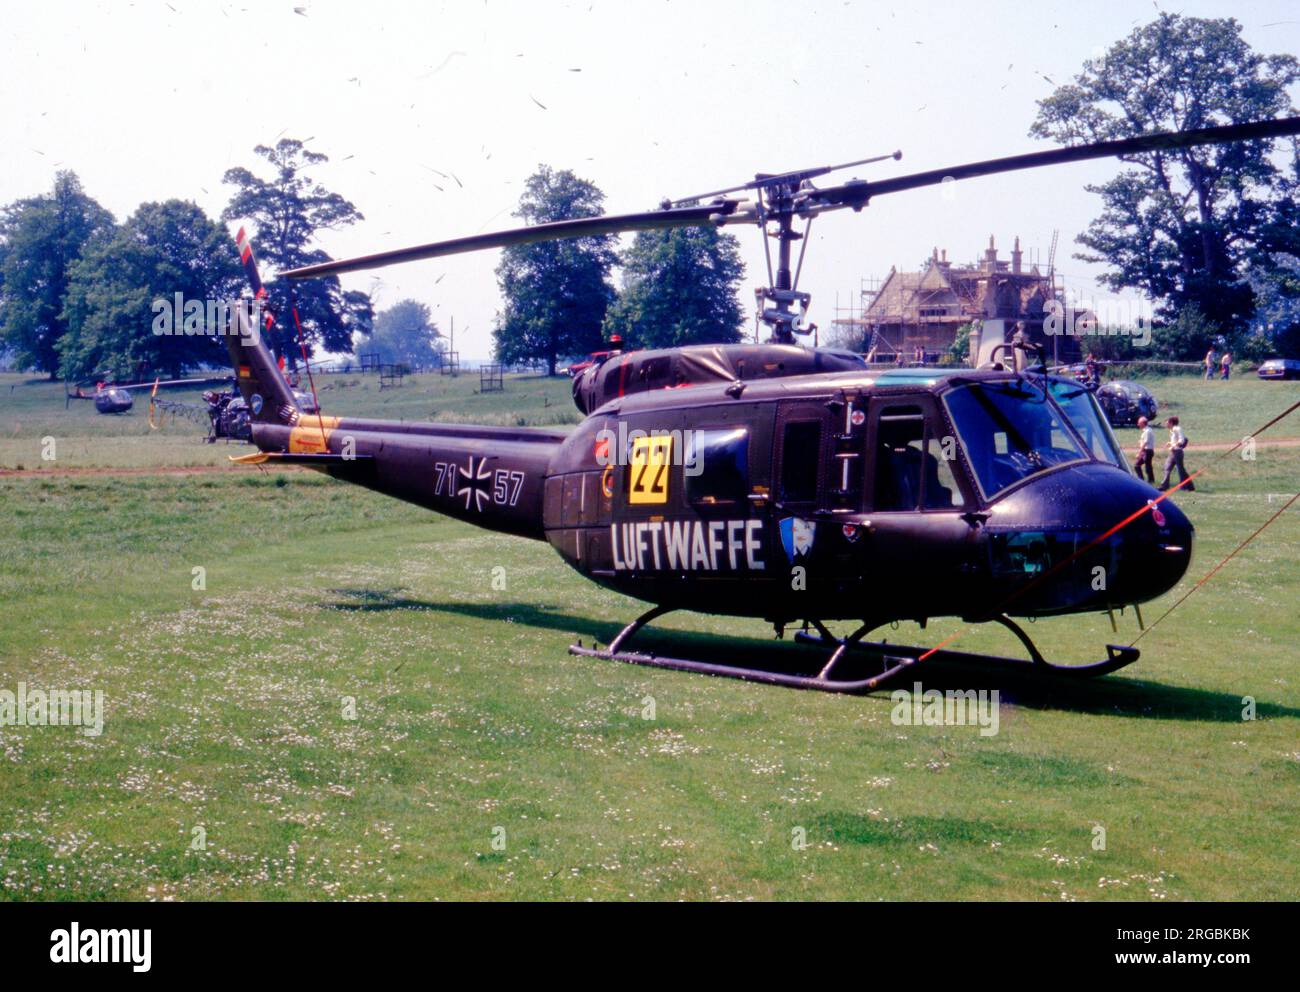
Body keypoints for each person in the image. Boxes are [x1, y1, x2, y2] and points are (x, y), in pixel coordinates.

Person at [1157, 415, 1194, 491]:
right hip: (1173, 452)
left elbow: (1181, 440)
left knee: (1180, 470)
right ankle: (1164, 486)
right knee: (1167, 467)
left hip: (1177, 452)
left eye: (1167, 423)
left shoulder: (1177, 429)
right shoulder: (1172, 430)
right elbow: (1175, 440)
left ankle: (1185, 486)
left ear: (1171, 423)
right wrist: (1170, 443)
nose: (1166, 424)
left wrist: (1174, 445)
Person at [1133, 415, 1155, 483]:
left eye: (1139, 423)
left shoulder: (1147, 431)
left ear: (1143, 423)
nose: (1138, 424)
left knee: (1146, 466)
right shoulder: (1148, 430)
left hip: (1147, 451)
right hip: (1147, 451)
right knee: (1141, 465)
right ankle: (1147, 480)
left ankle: (1148, 480)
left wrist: (1139, 453)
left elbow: (1145, 443)